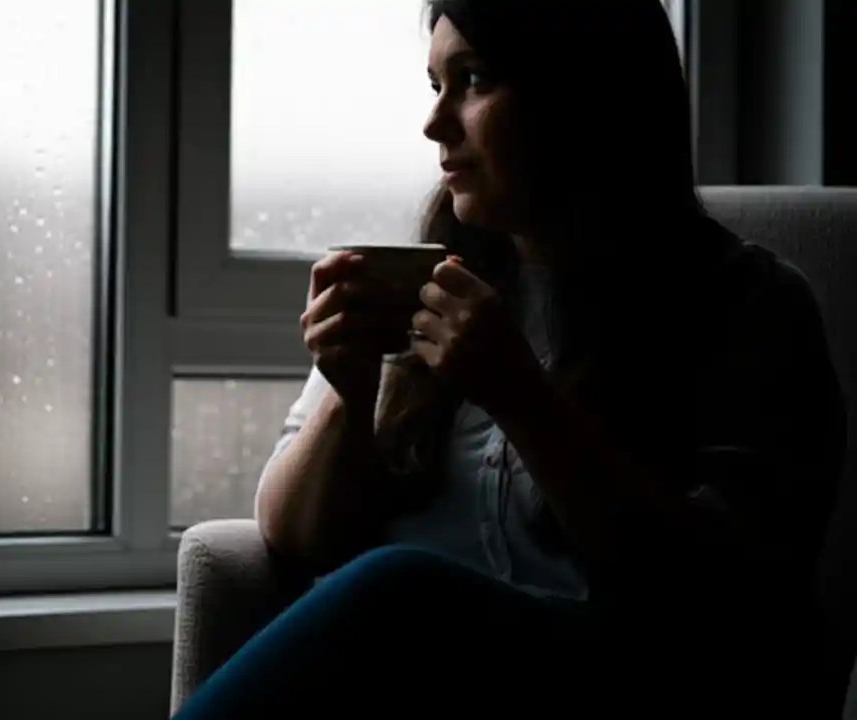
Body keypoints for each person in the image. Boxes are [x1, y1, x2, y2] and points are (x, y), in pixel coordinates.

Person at [172, 0, 848, 718]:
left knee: (397, 590)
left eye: (473, 80)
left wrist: (520, 396)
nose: (435, 123)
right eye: (434, 85)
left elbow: (724, 598)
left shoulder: (746, 305)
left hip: (624, 681)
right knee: (388, 592)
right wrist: (346, 390)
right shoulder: (424, 279)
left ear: (582, 93)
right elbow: (290, 536)